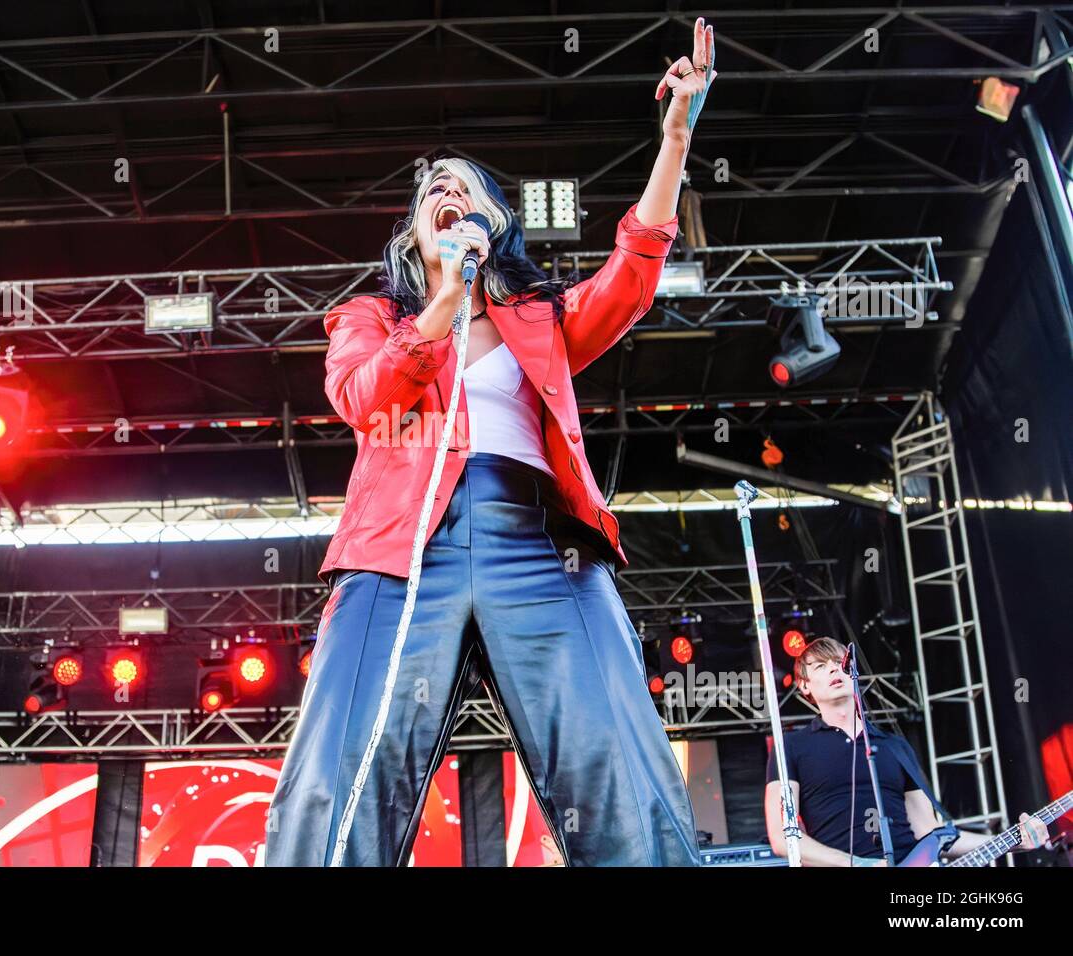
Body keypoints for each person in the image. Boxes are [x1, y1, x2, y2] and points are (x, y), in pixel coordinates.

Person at [265, 19, 719, 867]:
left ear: (495, 219)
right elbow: (365, 400)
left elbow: (634, 270)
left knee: (615, 760)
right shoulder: (370, 319)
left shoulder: (538, 319)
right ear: (414, 233)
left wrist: (677, 135)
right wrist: (439, 301)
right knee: (341, 770)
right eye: (434, 189)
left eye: (466, 186)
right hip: (399, 553)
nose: (449, 190)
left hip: (539, 543)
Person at [764, 637, 1051, 866]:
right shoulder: (791, 746)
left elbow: (930, 834)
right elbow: (783, 839)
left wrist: (1012, 839)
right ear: (804, 686)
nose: (832, 669)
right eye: (819, 667)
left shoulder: (894, 746)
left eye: (839, 663)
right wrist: (856, 864)